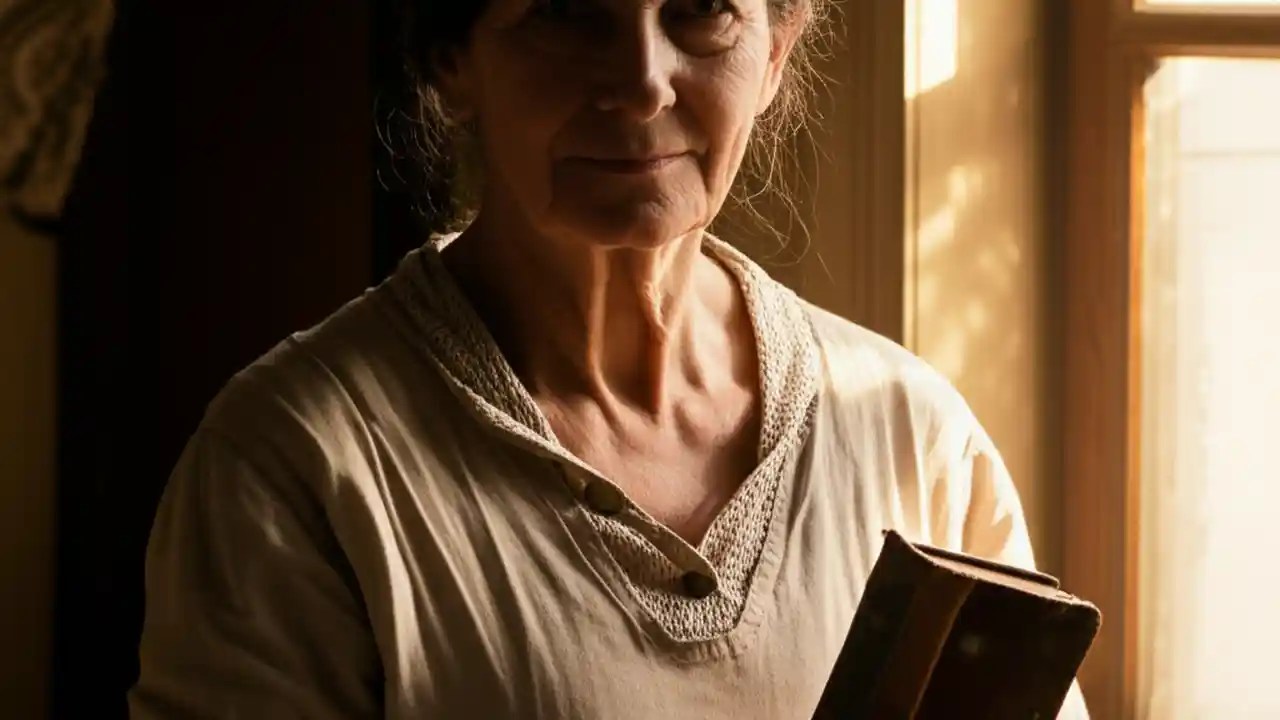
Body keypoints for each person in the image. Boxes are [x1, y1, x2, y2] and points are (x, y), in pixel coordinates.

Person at [130, 0, 1089, 717]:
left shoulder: (908, 431)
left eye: (703, 10)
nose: (641, 79)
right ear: (450, 61)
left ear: (774, 54)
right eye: (567, 11)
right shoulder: (299, 462)